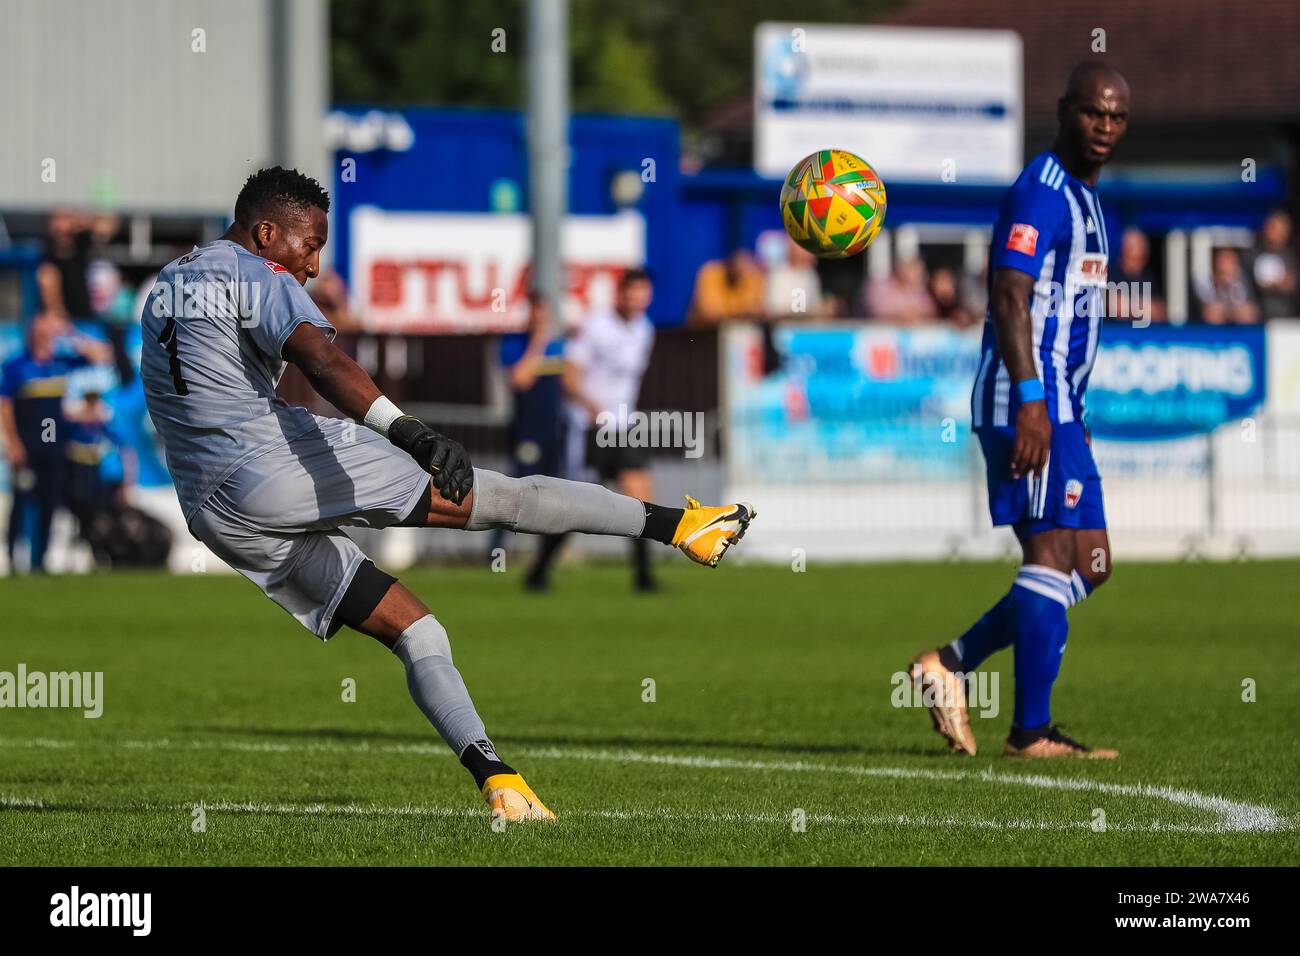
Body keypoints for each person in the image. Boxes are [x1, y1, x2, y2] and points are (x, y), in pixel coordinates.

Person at [139, 167, 756, 823]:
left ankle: (499, 781)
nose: (314, 266)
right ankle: (681, 526)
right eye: (309, 245)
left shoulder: (168, 286)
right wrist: (410, 433)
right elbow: (323, 361)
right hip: (269, 463)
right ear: (266, 233)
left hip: (213, 509)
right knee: (502, 498)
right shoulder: (255, 274)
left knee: (418, 630)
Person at [909, 62, 1130, 759]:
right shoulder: (1042, 191)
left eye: (1116, 116)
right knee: (1050, 553)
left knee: (1089, 561)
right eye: (1093, 111)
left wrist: (1068, 409)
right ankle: (1030, 732)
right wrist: (1034, 401)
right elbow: (1009, 294)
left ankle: (948, 663)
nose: (1104, 125)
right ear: (1065, 111)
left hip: (1064, 405)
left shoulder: (1090, 201)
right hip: (1025, 399)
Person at [527, 269, 661, 592]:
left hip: (624, 427)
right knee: (578, 507)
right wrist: (590, 405)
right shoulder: (596, 327)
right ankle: (539, 571)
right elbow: (569, 377)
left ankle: (644, 578)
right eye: (632, 292)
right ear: (620, 293)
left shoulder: (645, 330)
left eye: (643, 293)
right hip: (590, 428)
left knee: (641, 497)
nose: (637, 299)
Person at [0, 312, 112, 573]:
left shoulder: (61, 362)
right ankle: (13, 559)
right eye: (43, 328)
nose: (47, 333)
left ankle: (40, 561)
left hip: (55, 447)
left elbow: (102, 356)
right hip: (28, 447)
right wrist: (13, 443)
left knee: (49, 503)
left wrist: (70, 332)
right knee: (22, 502)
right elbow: (5, 406)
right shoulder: (17, 365)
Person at [688, 248, 765, 325]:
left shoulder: (751, 276)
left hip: (737, 328)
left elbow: (755, 308)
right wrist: (740, 311)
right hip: (703, 330)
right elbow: (711, 311)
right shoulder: (711, 273)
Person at [1244, 209, 1297, 320]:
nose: (1277, 235)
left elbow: (1293, 286)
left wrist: (1290, 284)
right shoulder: (1250, 255)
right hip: (1257, 319)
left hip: (1285, 319)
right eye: (1274, 229)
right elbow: (1243, 285)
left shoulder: (1290, 258)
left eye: (1282, 231)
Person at [1109, 227, 1166, 323]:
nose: (1143, 250)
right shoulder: (1113, 274)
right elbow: (1117, 308)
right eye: (1137, 246)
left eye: (1144, 246)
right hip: (1117, 334)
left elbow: (1160, 311)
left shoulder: (1148, 276)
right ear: (1125, 249)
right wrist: (1144, 307)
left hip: (1145, 334)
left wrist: (1131, 306)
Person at [1195, 248, 1259, 324]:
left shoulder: (1243, 280)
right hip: (1209, 333)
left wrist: (1226, 312)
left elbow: (1249, 314)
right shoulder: (1205, 281)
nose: (1226, 265)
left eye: (1231, 261)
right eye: (1223, 260)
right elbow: (1210, 315)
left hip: (1239, 332)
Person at [764, 239, 825, 319]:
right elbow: (774, 309)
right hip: (782, 327)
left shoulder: (811, 275)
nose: (809, 254)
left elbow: (816, 306)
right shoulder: (777, 274)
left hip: (805, 326)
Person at [862, 256, 933, 323]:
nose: (918, 275)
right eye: (913, 269)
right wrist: (901, 316)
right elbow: (876, 311)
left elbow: (930, 311)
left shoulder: (918, 290)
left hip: (909, 333)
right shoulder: (879, 286)